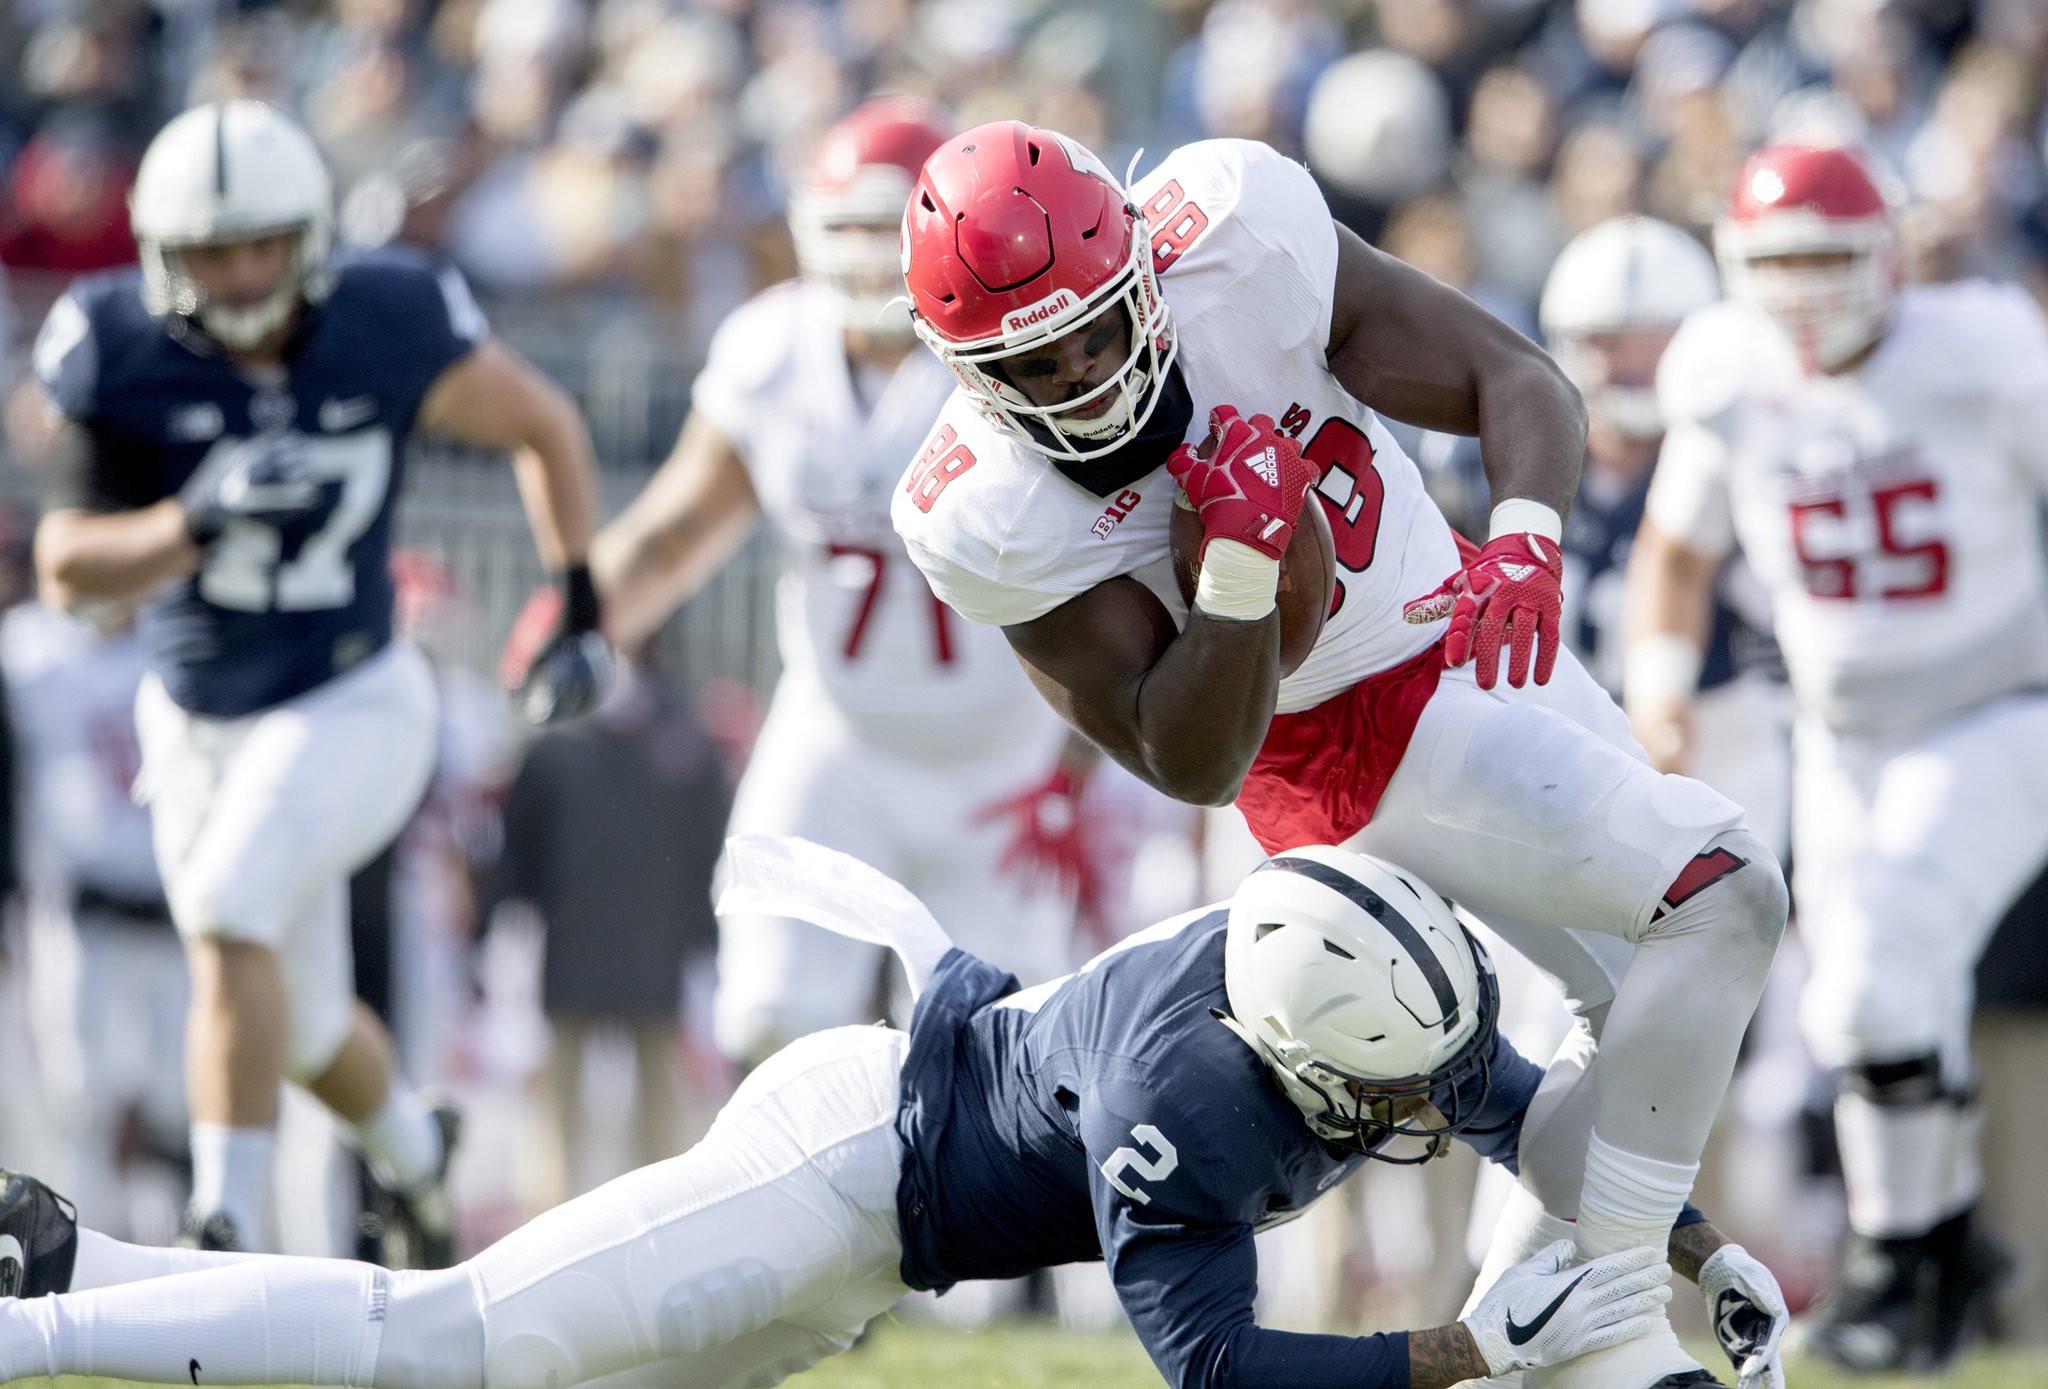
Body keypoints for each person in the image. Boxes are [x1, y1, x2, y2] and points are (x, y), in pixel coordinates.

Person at [889, 121, 1789, 1387]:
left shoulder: (1234, 229)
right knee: (1723, 889)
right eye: (1037, 363)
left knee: (1640, 1007)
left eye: (1098, 327)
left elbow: (1513, 376)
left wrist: (1523, 530)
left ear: (1145, 264)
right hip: (1334, 743)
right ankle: (1617, 1307)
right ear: (967, 372)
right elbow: (1189, 761)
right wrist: (1243, 580)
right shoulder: (982, 507)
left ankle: (1582, 1336)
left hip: (1464, 631)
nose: (1088, 376)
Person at [0, 838, 1790, 1389]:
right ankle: (40, 1325)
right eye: (1388, 1084)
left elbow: (1516, 1102)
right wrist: (1462, 1349)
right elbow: (1223, 1378)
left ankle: (86, 1257)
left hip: (879, 1241)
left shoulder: (1338, 984)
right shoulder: (1188, 1096)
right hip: (835, 1173)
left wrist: (1691, 1244)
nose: (1431, 1100)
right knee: (445, 1348)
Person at [25, 99, 606, 1258]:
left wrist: (576, 599)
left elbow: (542, 423)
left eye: (262, 245)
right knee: (291, 1024)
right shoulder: (117, 345)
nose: (241, 276)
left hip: (354, 691)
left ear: (313, 238)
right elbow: (65, 570)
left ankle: (220, 1226)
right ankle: (417, 1156)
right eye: (211, 251)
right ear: (158, 255)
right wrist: (192, 520)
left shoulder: (383, 317)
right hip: (194, 715)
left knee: (230, 912)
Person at [1626, 140, 2048, 1373]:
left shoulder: (1974, 349)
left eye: (1826, 257)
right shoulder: (1726, 372)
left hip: (1996, 704)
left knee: (1877, 969)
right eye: (1778, 261)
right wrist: (1658, 692)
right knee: (1857, 1006)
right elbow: (1676, 546)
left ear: (1886, 256)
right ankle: (1938, 1256)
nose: (1803, 288)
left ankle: (1902, 1257)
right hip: (1837, 732)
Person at [554, 98, 1083, 1066]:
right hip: (836, 735)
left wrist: (1081, 764)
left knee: (1007, 1061)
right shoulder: (771, 350)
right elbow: (678, 529)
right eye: (840, 226)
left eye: (883, 227)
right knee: (767, 1020)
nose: (862, 255)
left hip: (1000, 758)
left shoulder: (1017, 351)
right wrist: (581, 613)